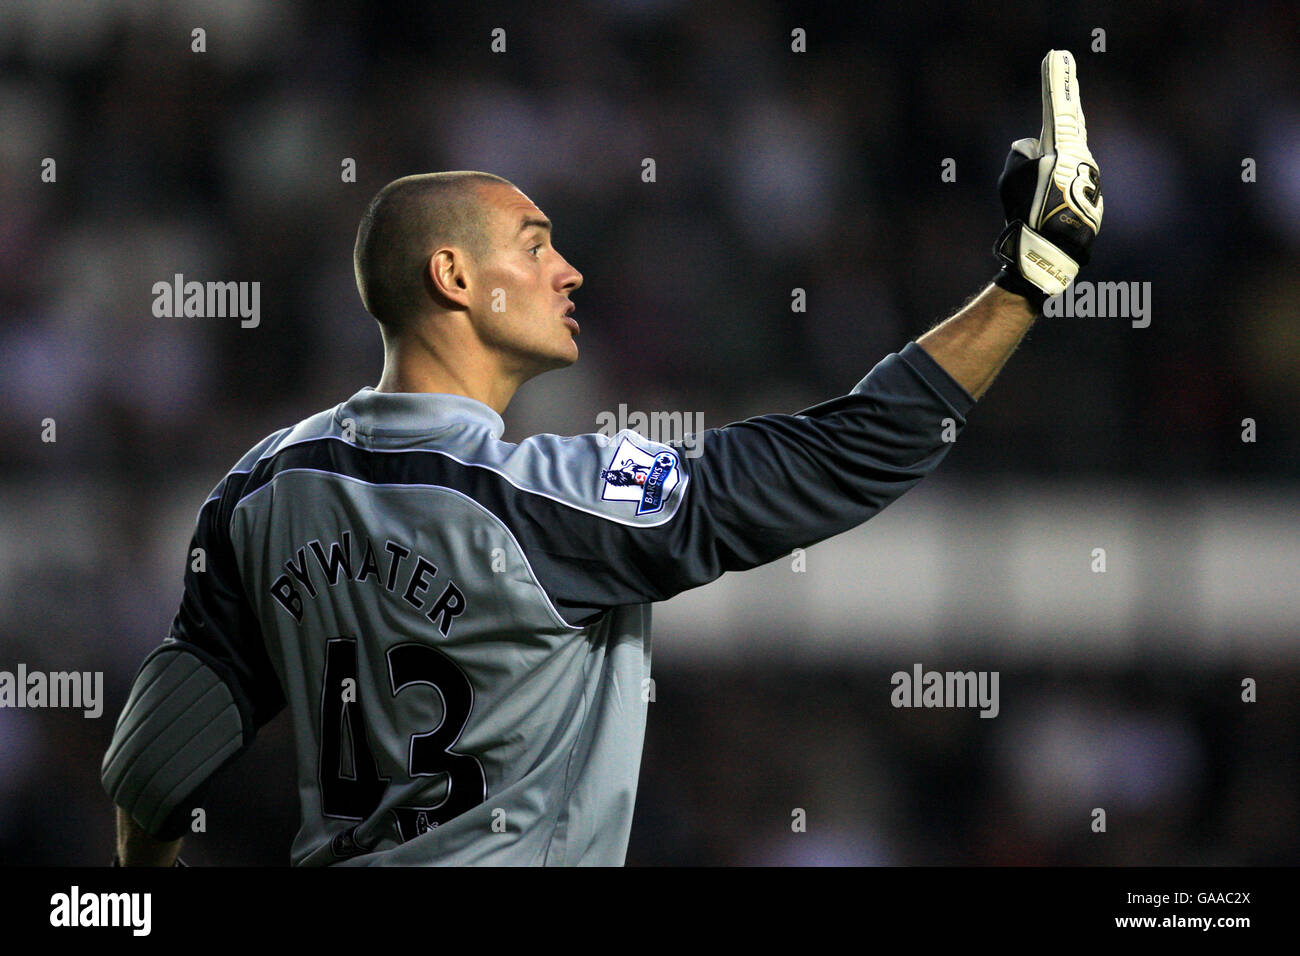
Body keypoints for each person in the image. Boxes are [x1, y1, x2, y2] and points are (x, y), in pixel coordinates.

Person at [101, 50, 1102, 866]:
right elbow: (838, 457)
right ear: (454, 275)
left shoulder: (262, 488)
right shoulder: (551, 501)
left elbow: (151, 770)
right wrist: (1022, 284)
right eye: (534, 246)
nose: (567, 268)